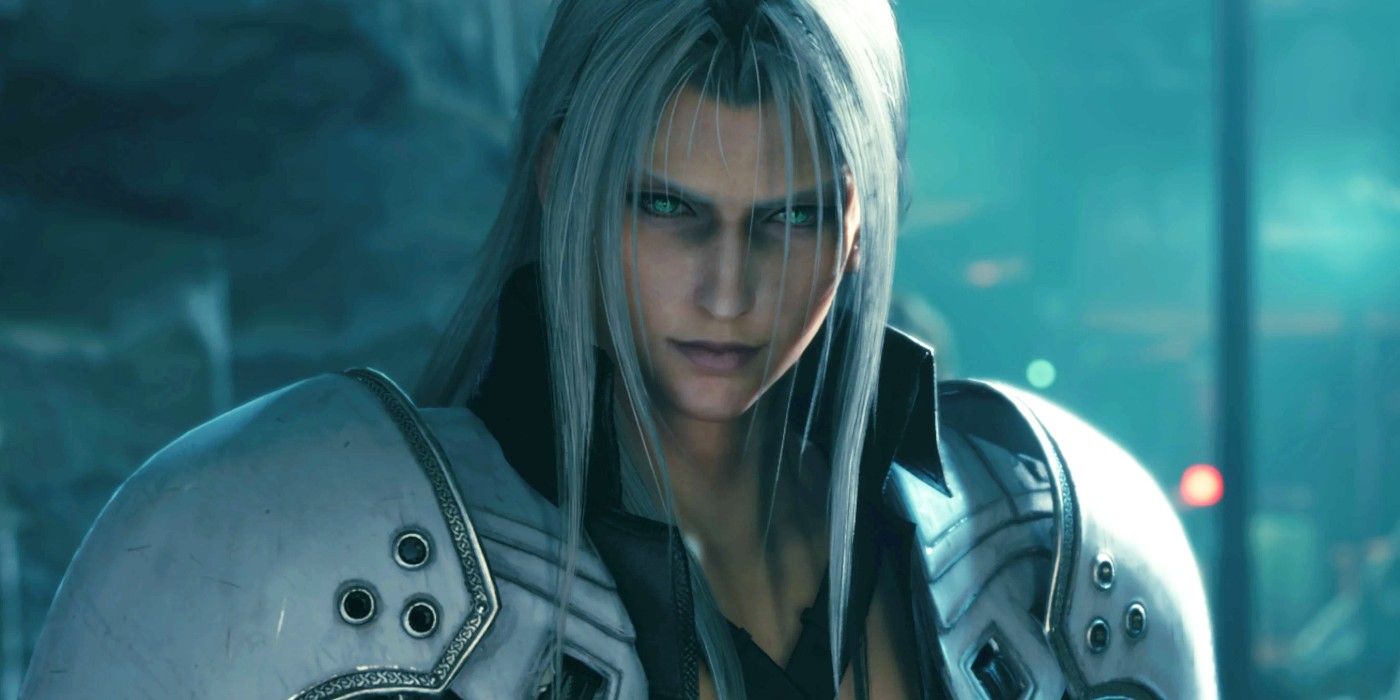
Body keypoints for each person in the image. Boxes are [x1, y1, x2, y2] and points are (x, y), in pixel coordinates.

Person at [20, 1, 1217, 698]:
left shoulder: (1056, 557)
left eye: (788, 218)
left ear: (860, 224)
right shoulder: (294, 545)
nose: (727, 288)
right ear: (564, 184)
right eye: (668, 207)